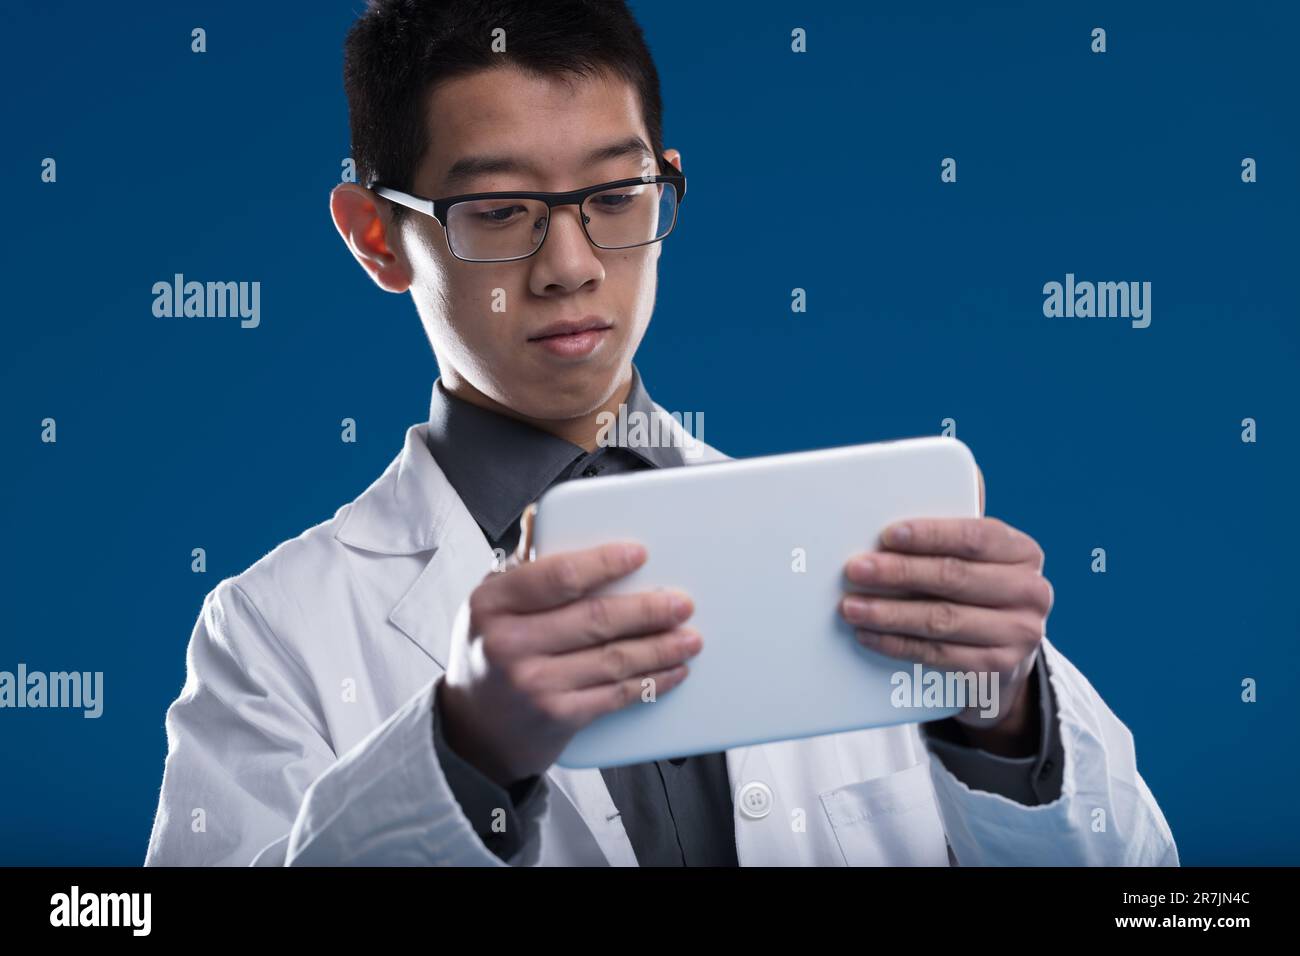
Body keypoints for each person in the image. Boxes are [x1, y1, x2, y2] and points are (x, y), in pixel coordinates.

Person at [144, 0, 1178, 866]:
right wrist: (459, 756)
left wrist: (1004, 731)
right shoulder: (274, 632)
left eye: (613, 193)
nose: (572, 265)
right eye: (500, 210)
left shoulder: (863, 542)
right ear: (378, 236)